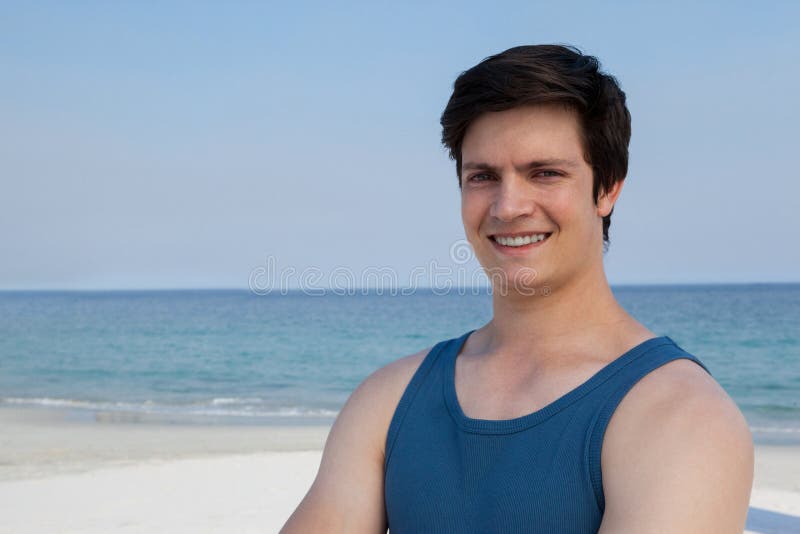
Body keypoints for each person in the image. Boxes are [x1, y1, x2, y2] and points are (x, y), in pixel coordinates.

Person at [281, 44, 753, 533]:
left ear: (608, 187)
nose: (508, 206)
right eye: (483, 177)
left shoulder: (681, 414)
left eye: (545, 173)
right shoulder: (387, 400)